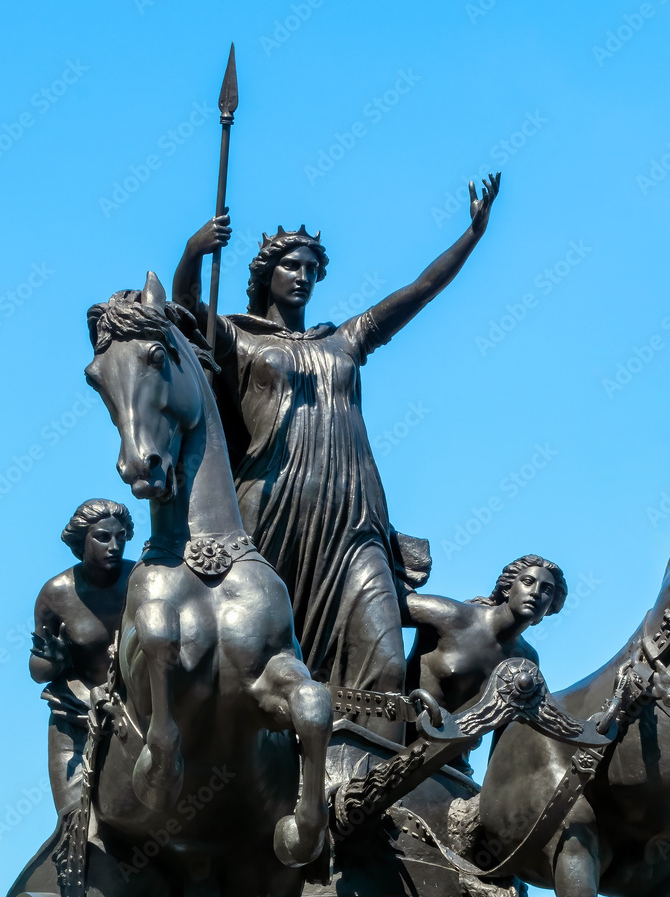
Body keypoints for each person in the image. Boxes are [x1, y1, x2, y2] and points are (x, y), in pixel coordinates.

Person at [172, 176, 500, 729]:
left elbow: (417, 291)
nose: (303, 277)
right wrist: (191, 254)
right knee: (258, 657)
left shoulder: (344, 340)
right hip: (270, 514)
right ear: (265, 275)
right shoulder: (240, 338)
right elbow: (185, 313)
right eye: (291, 266)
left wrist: (473, 233)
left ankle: (365, 787)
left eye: (311, 269)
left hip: (354, 519)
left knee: (386, 662)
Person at [29, 499, 134, 816]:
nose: (114, 546)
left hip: (138, 713)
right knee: (74, 825)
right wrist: (53, 660)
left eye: (121, 537)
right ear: (81, 539)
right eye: (103, 537)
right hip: (75, 719)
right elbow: (37, 670)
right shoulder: (55, 594)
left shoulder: (141, 580)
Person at [401, 553, 567, 714]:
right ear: (508, 588)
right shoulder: (450, 615)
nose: (535, 593)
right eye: (528, 582)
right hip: (392, 731)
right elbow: (382, 607)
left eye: (547, 590)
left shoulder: (525, 660)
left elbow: (510, 727)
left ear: (551, 606)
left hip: (454, 742)